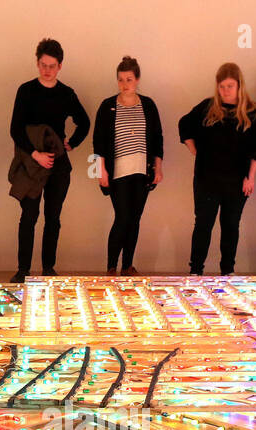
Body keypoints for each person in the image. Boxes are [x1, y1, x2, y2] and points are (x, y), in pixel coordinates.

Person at [9, 38, 90, 282]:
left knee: (53, 217)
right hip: (31, 162)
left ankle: (47, 268)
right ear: (37, 63)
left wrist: (71, 143)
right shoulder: (26, 90)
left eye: (52, 66)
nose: (47, 70)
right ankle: (23, 270)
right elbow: (15, 129)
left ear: (60, 66)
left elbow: (84, 122)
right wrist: (35, 155)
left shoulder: (66, 94)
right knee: (29, 216)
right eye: (43, 64)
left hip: (58, 164)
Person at [178, 63, 256, 276]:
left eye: (230, 86)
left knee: (231, 225)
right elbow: (184, 125)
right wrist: (194, 150)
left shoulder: (252, 112)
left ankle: (227, 271)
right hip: (207, 179)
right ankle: (196, 270)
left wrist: (250, 177)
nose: (225, 91)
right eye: (222, 86)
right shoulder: (207, 108)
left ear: (239, 86)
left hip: (237, 180)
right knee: (203, 225)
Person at [91, 56, 164, 276]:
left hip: (142, 172)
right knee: (122, 217)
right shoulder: (107, 106)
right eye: (121, 80)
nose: (125, 84)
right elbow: (98, 141)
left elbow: (157, 139)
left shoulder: (148, 105)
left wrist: (158, 168)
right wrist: (99, 170)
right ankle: (112, 266)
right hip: (118, 172)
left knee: (134, 219)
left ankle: (128, 265)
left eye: (129, 79)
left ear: (137, 79)